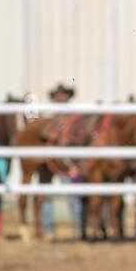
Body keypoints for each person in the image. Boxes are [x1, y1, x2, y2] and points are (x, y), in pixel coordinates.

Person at [40, 83, 85, 241]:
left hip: (66, 163)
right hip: (49, 162)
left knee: (73, 197)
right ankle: (49, 230)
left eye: (65, 94)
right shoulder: (48, 117)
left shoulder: (74, 118)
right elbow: (43, 136)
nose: (62, 97)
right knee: (46, 197)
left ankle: (78, 230)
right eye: (60, 95)